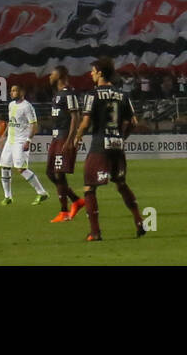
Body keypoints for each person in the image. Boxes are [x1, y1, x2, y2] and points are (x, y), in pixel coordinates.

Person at [71, 57, 145, 241]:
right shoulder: (123, 95)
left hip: (100, 145)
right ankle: (139, 222)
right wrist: (121, 137)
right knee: (120, 183)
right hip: (117, 145)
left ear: (100, 73)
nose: (91, 74)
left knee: (89, 187)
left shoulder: (92, 95)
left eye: (93, 71)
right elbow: (133, 122)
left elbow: (86, 121)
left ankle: (95, 232)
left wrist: (77, 137)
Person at [45, 66, 85, 223]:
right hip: (56, 138)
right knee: (50, 173)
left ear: (60, 75)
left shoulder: (69, 94)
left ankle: (64, 212)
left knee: (59, 173)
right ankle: (76, 200)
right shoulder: (57, 95)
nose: (49, 76)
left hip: (63, 138)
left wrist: (70, 140)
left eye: (52, 73)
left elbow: (75, 117)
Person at [0, 85, 49, 205]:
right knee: (4, 167)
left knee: (21, 168)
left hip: (20, 141)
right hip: (10, 140)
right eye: (11, 91)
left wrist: (28, 140)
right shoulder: (11, 105)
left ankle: (42, 193)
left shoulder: (27, 106)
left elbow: (34, 125)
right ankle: (8, 197)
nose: (11, 93)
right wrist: (3, 136)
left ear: (22, 92)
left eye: (14, 90)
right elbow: (11, 122)